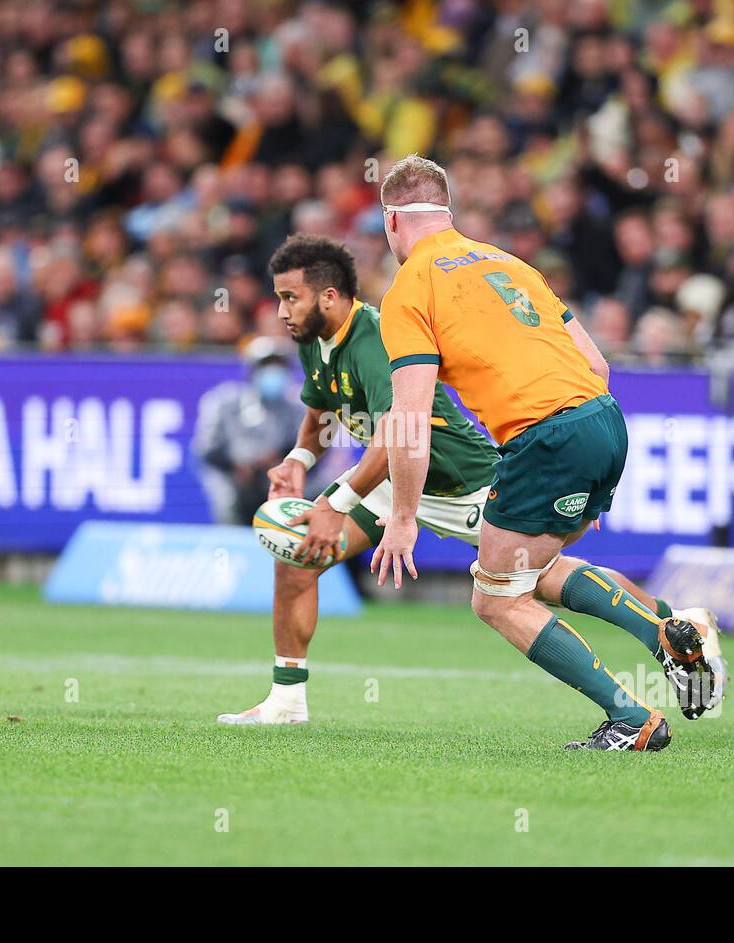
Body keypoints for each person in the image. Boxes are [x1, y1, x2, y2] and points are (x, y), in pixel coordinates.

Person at [217, 234, 699, 725]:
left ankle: (666, 625)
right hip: (396, 480)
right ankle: (287, 702)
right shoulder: (315, 341)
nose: (281, 311)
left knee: (538, 580)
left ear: (328, 296)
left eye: (289, 297)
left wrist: (335, 502)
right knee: (299, 557)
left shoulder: (375, 340)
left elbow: (396, 435)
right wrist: (298, 458)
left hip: (456, 480)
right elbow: (323, 408)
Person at [371, 155, 726, 752]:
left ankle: (630, 717)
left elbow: (411, 419)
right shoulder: (509, 262)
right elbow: (597, 365)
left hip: (545, 436)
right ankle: (667, 632)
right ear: (446, 211)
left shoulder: (408, 290)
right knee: (532, 570)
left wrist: (403, 517)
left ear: (392, 222)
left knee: (497, 597)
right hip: (603, 420)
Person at [193, 338, 307, 525]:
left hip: (284, 485)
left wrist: (279, 462)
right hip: (236, 486)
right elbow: (208, 449)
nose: (273, 373)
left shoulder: (299, 406)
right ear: (253, 370)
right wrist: (237, 466)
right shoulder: (225, 403)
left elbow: (313, 447)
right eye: (266, 366)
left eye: (278, 366)